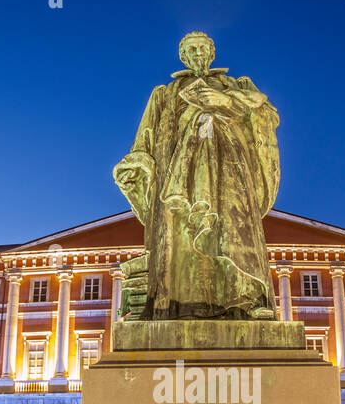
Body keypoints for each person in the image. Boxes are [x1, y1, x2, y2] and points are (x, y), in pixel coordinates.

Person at [114, 32, 280, 320]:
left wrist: (225, 101)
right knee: (180, 239)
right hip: (178, 179)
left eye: (204, 47)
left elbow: (266, 115)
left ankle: (249, 299)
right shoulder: (163, 94)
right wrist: (136, 165)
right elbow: (146, 137)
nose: (198, 53)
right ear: (184, 56)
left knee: (235, 228)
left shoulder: (235, 85)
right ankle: (177, 305)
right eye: (192, 49)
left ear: (212, 53)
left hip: (230, 170)